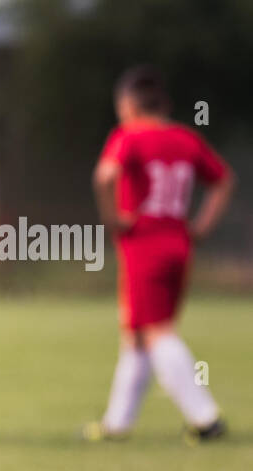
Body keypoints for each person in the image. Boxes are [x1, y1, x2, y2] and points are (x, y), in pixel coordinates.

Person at [85, 65, 235, 443]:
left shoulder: (130, 136)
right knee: (136, 334)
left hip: (144, 245)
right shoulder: (186, 139)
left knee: (157, 333)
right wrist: (201, 226)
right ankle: (117, 424)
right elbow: (224, 180)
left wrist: (112, 219)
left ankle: (206, 419)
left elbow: (103, 176)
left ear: (129, 106)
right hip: (179, 243)